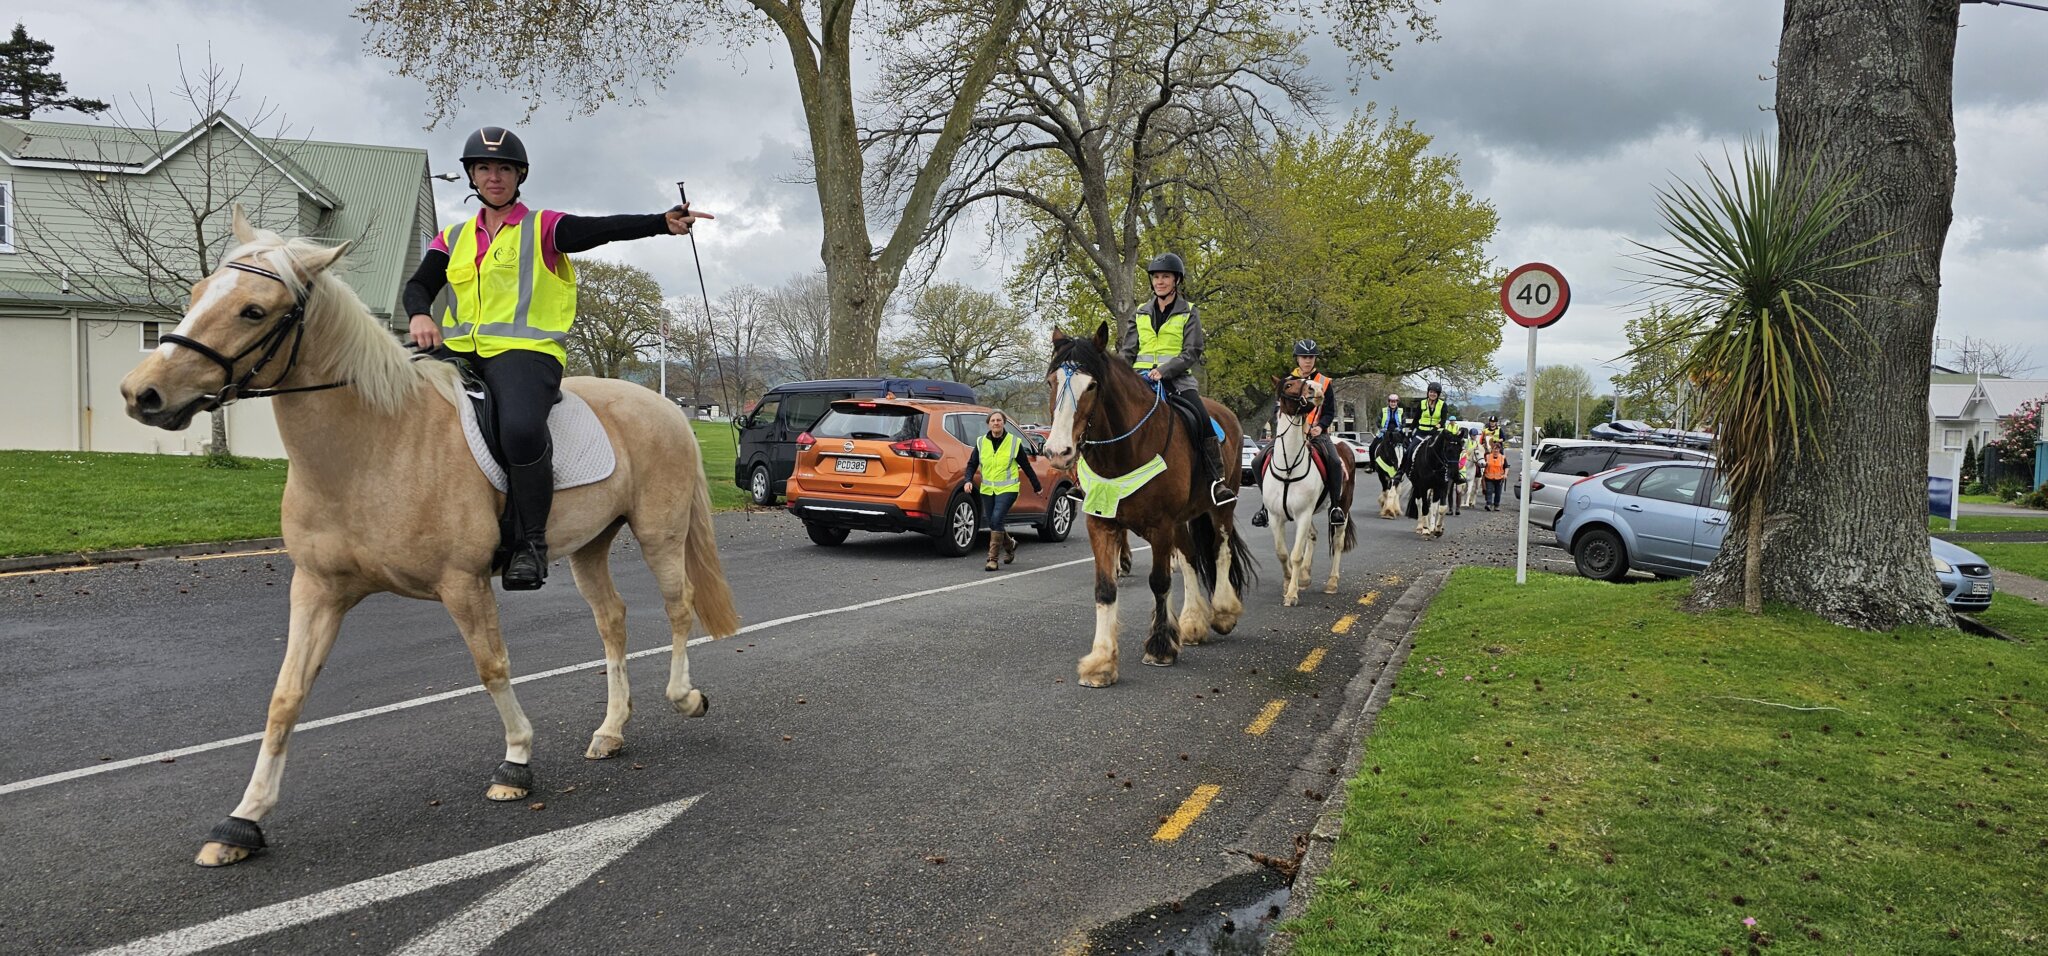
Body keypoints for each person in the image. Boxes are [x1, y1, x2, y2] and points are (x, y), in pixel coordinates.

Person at [403, 126, 714, 591]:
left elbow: (603, 229)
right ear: (471, 175)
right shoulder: (453, 237)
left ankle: (530, 544)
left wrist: (659, 221)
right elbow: (419, 285)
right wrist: (419, 316)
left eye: (504, 169)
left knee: (522, 429)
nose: (494, 177)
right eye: (484, 168)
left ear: (519, 175)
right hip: (461, 352)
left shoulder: (543, 226)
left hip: (526, 355)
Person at [1118, 252, 1233, 506]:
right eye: (1156, 277)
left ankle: (1217, 480)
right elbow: (1128, 351)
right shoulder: (1140, 312)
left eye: (1165, 277)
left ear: (1176, 281)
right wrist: (1118, 374)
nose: (1160, 282)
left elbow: (1192, 351)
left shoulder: (1189, 311)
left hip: (1177, 381)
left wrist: (1166, 370)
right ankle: (1084, 481)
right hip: (1139, 380)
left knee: (1202, 419)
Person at [1249, 339, 1342, 528]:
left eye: (1311, 357)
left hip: (1316, 433)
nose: (1308, 361)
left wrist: (1321, 426)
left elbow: (1330, 411)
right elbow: (1280, 407)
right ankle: (1265, 507)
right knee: (1257, 461)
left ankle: (1335, 507)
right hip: (1290, 434)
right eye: (1304, 357)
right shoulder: (1287, 381)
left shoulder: (1324, 382)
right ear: (1297, 359)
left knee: (1335, 461)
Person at [965, 410, 1044, 571]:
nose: (996, 423)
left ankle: (992, 559)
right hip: (987, 489)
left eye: (999, 420)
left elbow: (1027, 466)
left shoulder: (1014, 442)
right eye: (993, 420)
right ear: (988, 424)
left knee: (996, 517)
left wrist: (1037, 486)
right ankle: (1010, 545)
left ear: (1003, 423)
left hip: (1008, 488)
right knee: (995, 521)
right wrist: (968, 480)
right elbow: (972, 464)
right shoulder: (981, 442)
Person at [1409, 382, 1459, 489]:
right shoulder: (1422, 403)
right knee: (1410, 449)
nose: (1432, 394)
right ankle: (1402, 471)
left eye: (1435, 393)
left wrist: (1435, 429)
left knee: (1446, 451)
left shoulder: (1443, 405)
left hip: (1435, 433)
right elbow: (1416, 418)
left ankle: (1452, 474)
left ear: (1438, 394)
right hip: (1421, 432)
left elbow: (1443, 420)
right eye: (1431, 392)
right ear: (1428, 392)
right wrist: (1410, 429)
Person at [1483, 442, 1509, 511]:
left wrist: (1505, 474)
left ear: (1499, 449)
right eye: (1495, 449)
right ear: (1492, 449)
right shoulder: (1488, 456)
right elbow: (1483, 465)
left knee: (1498, 492)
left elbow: (1506, 467)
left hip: (1499, 478)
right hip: (1489, 477)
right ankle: (1488, 504)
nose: (1496, 450)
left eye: (1497, 449)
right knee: (1489, 491)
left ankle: (1496, 505)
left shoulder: (1502, 457)